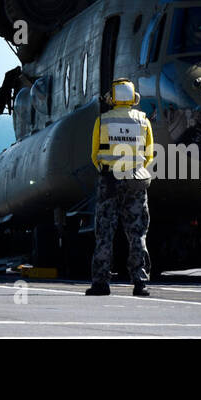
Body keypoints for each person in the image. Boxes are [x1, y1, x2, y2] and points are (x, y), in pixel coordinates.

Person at [86, 79, 156, 297]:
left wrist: (106, 169)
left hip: (109, 180)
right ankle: (140, 283)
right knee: (137, 233)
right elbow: (149, 154)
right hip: (135, 180)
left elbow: (94, 153)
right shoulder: (143, 121)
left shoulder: (103, 120)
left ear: (112, 98)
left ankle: (101, 283)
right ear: (133, 98)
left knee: (105, 233)